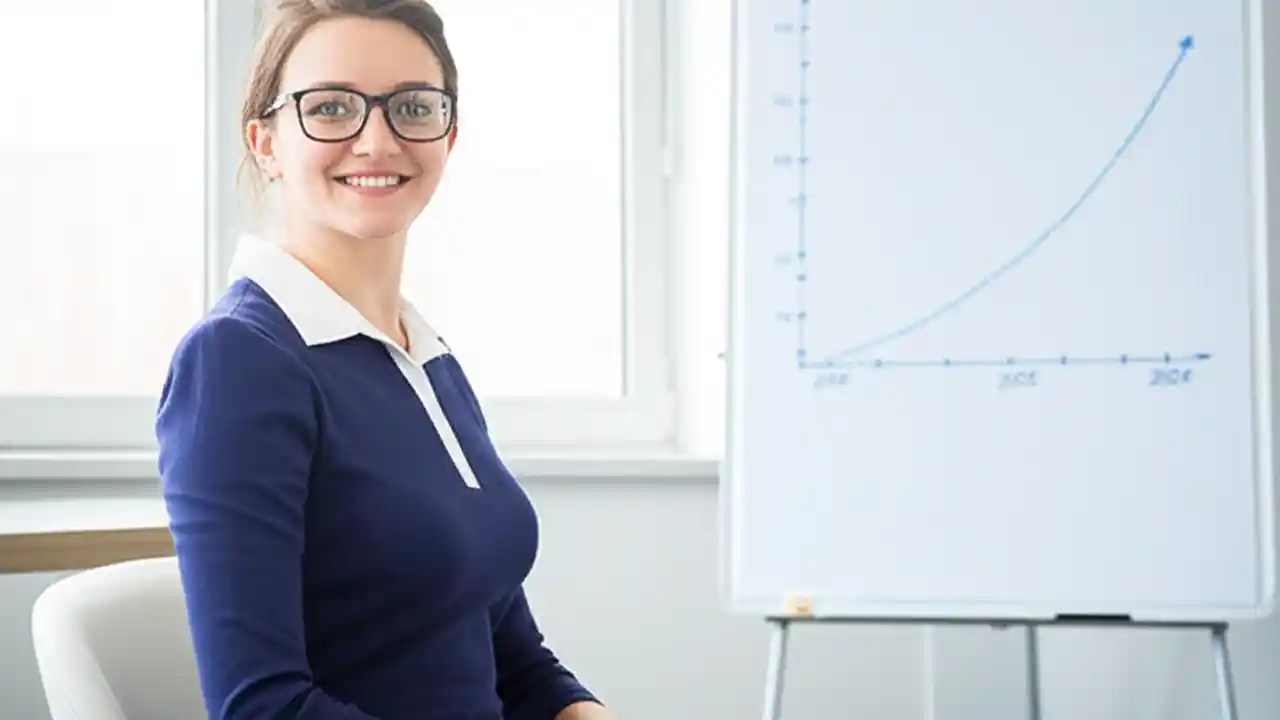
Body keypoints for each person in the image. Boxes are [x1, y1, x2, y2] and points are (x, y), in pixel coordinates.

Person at [154, 2, 613, 718]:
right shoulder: (238, 361)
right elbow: (262, 709)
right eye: (331, 107)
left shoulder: (427, 359)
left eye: (412, 107)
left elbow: (515, 663)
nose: (377, 139)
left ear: (448, 136)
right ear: (266, 143)